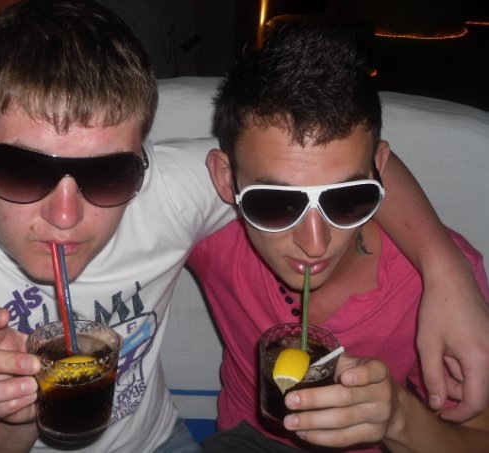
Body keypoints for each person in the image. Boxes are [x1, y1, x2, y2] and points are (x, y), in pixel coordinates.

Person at [0, 1, 488, 451]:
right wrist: (12, 415)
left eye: (109, 174)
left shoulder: (171, 195)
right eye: (21, 168)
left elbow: (330, 166)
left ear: (140, 163)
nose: (65, 217)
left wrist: (447, 270)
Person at [187, 21, 489, 451]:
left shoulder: (436, 289)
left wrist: (399, 417)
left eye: (346, 198)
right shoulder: (210, 233)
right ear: (224, 177)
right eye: (276, 203)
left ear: (378, 170)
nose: (315, 243)